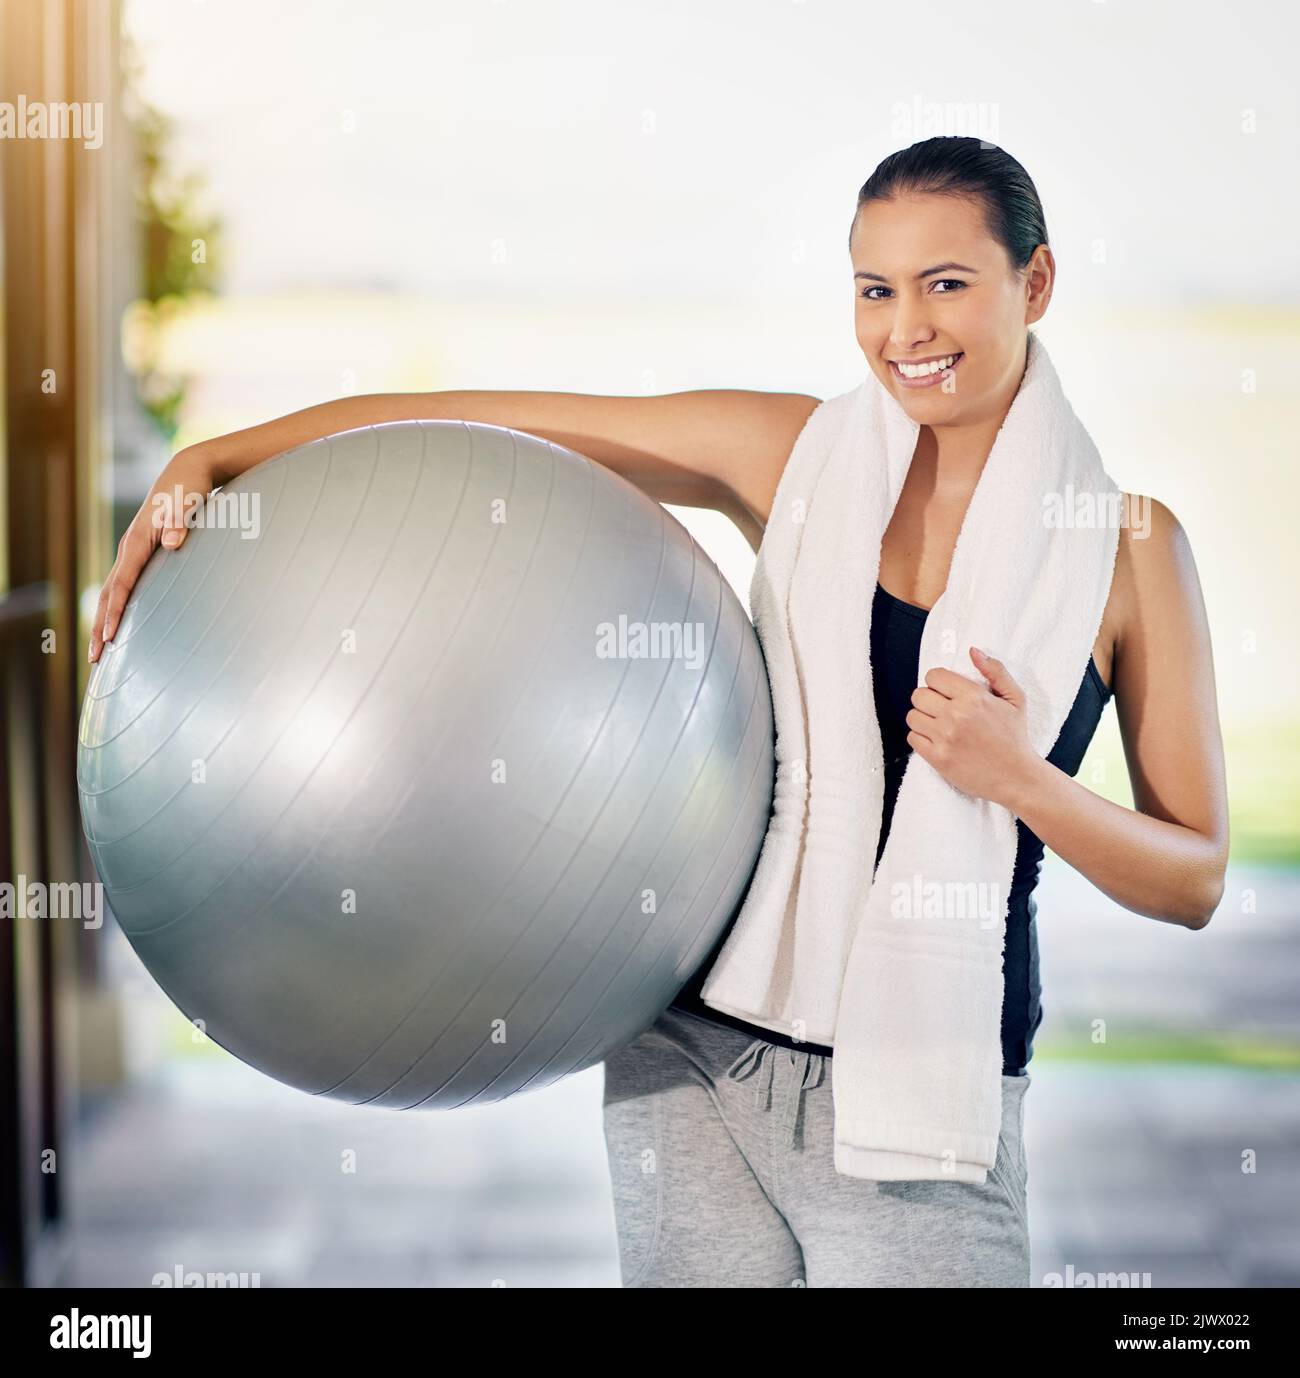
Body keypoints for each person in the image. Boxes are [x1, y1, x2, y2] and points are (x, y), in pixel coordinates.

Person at [89, 136, 1229, 1289]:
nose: (905, 330)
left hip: (928, 1100)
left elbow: (1192, 877)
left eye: (947, 284)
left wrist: (1018, 777)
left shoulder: (1130, 550)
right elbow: (497, 419)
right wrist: (223, 454)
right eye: (874, 290)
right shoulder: (794, 454)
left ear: (1033, 284)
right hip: (696, 1061)